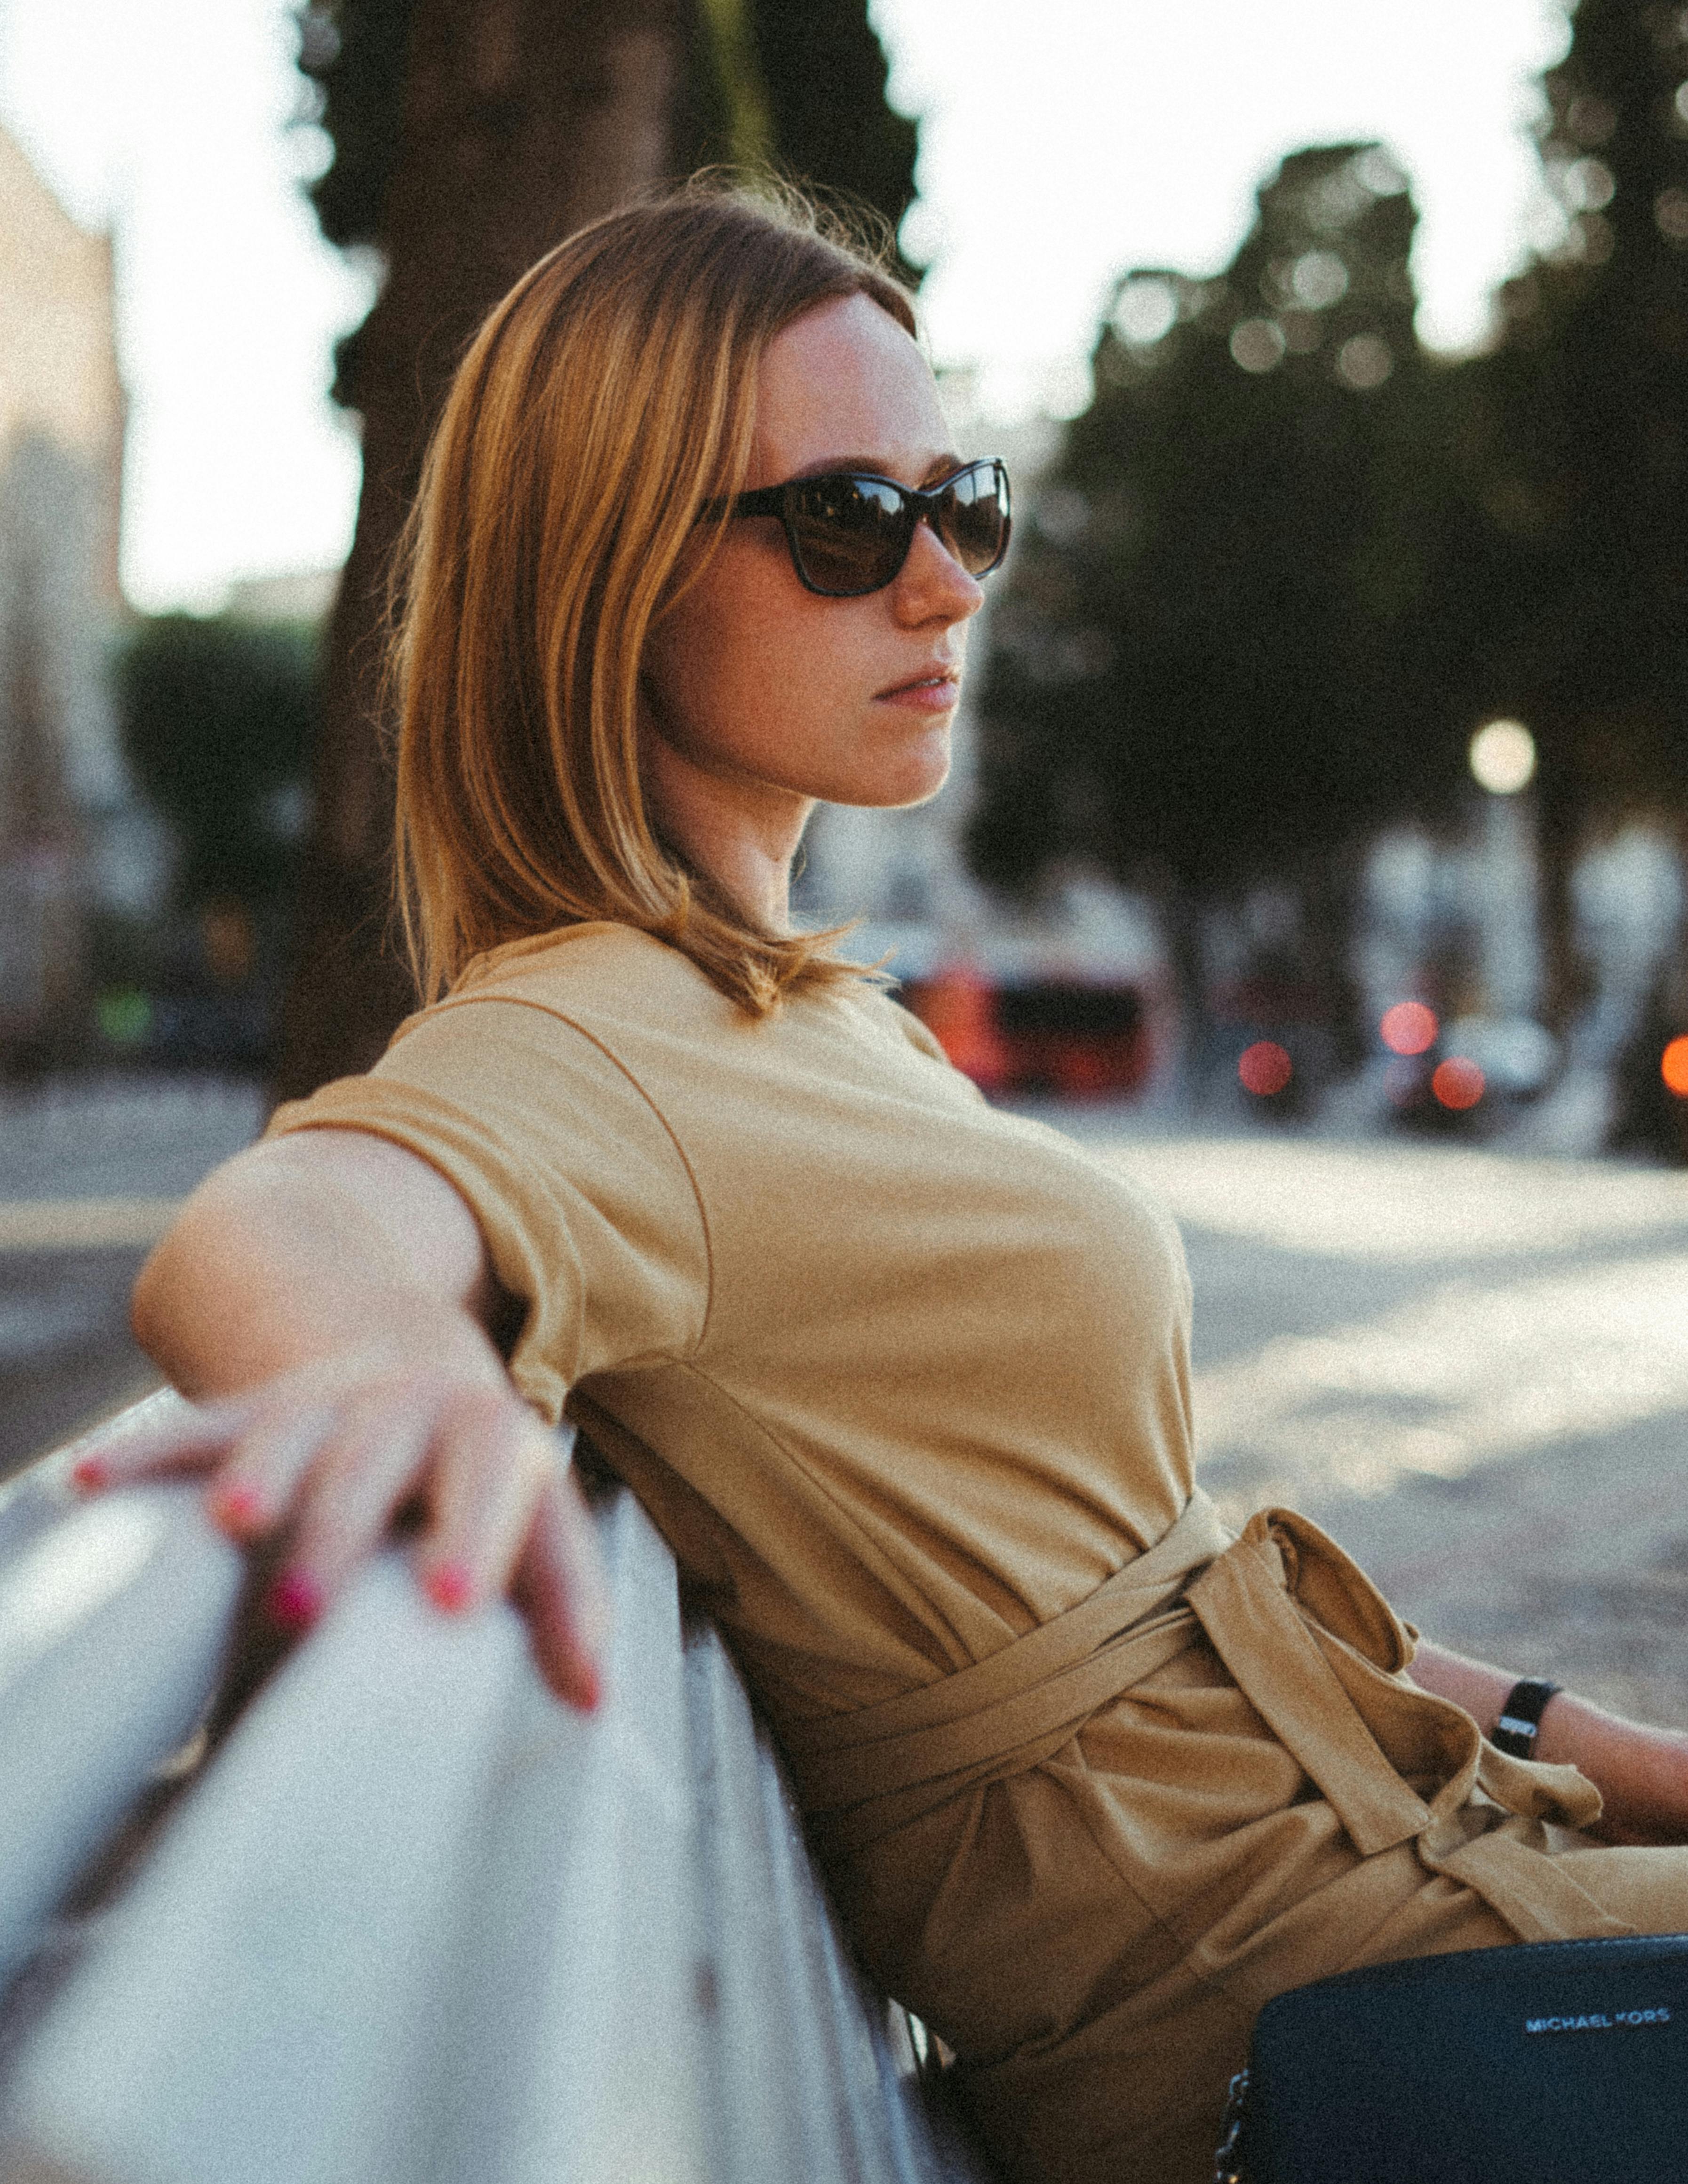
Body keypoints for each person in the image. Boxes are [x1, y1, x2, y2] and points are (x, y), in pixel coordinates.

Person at [75, 180, 1688, 2184]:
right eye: (847, 522)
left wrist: (1590, 1742)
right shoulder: (592, 1034)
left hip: (1433, 1915)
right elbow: (285, 1219)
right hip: (1314, 2035)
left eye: (963, 506)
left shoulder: (803, 1014)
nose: (943, 587)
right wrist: (387, 1377)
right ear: (605, 574)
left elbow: (1158, 1587)